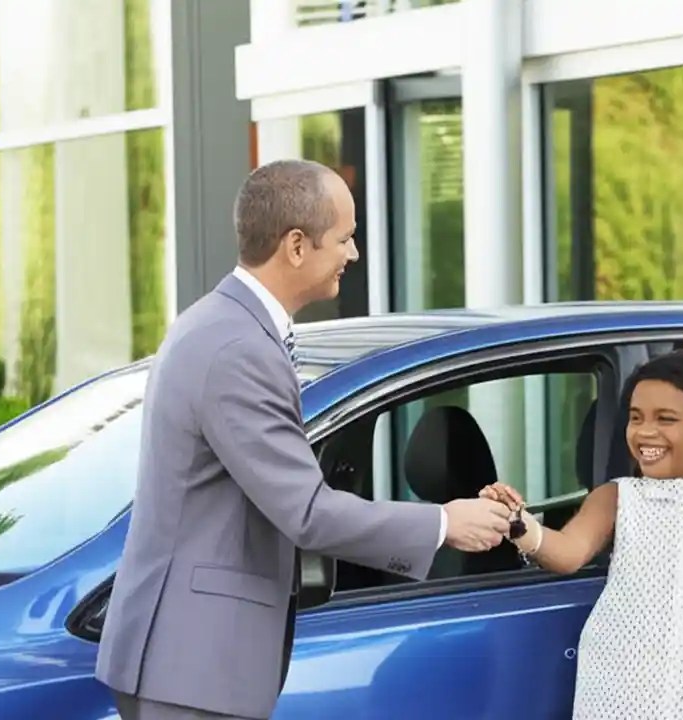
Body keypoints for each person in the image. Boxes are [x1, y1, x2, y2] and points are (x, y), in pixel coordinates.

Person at [95, 159, 512, 720]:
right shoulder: (237, 347)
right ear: (296, 245)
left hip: (190, 661)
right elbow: (307, 514)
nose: (354, 253)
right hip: (193, 667)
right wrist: (444, 524)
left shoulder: (223, 325)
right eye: (344, 238)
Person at [480, 349, 683, 719]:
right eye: (636, 418)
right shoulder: (617, 497)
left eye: (666, 419)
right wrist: (519, 524)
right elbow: (567, 553)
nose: (645, 432)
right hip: (616, 705)